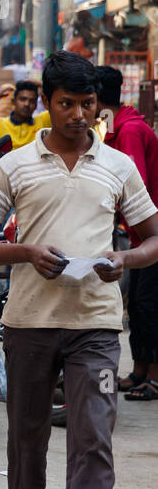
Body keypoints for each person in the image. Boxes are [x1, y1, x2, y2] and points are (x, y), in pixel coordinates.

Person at [0, 51, 158, 489]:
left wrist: (127, 257)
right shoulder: (15, 165)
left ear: (99, 105)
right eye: (67, 103)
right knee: (27, 435)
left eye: (87, 104)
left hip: (95, 324)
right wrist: (25, 252)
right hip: (29, 321)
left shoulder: (118, 166)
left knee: (93, 435)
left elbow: (154, 238)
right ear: (47, 103)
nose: (78, 114)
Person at [97, 65, 158, 402]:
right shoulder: (118, 129)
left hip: (150, 236)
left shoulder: (130, 131)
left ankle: (154, 376)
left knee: (148, 305)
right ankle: (139, 370)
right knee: (137, 304)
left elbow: (137, 188)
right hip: (137, 237)